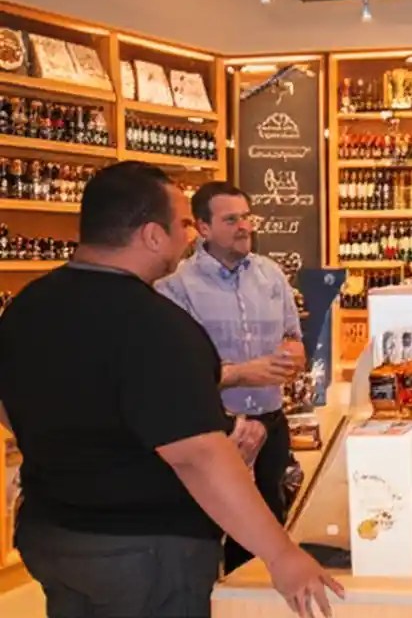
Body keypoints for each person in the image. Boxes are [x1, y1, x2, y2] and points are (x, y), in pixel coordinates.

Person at [0, 161, 341, 618]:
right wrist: (282, 556)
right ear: (151, 235)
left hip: (51, 536)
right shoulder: (155, 325)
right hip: (143, 552)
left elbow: (13, 405)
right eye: (182, 223)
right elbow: (196, 455)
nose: (188, 237)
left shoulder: (27, 306)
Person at [156, 181, 305, 574]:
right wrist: (240, 374)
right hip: (213, 430)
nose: (244, 227)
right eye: (231, 219)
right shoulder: (175, 287)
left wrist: (292, 355)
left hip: (272, 423)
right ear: (202, 228)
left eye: (246, 217)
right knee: (207, 532)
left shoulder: (272, 275)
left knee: (269, 531)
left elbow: (293, 337)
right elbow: (171, 372)